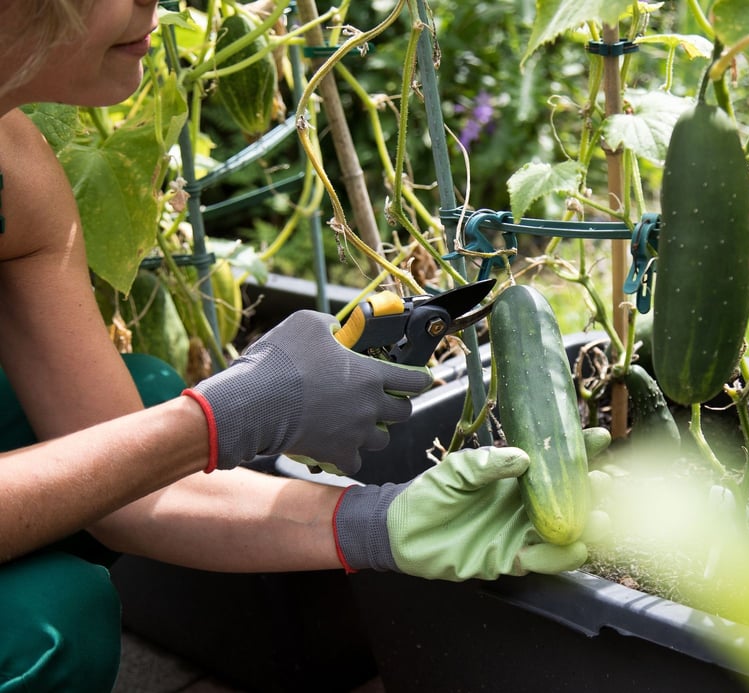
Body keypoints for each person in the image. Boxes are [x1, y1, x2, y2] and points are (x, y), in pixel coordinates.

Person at [0, 2, 606, 690]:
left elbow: (133, 495)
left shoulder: (15, 166)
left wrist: (375, 523)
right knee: (47, 628)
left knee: (139, 402)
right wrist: (214, 420)